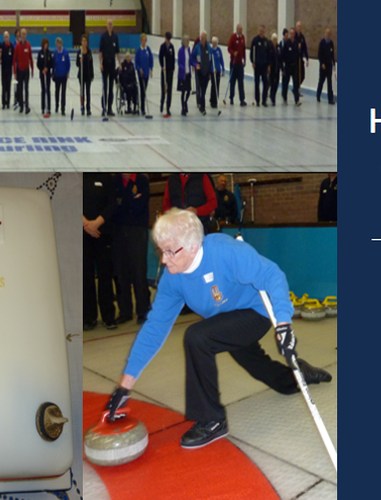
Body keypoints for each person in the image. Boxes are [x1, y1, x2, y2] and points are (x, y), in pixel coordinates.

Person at [102, 209, 331, 449]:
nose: (163, 260)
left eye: (170, 251)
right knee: (260, 368)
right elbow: (155, 328)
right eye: (161, 251)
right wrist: (124, 387)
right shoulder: (173, 277)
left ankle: (212, 420)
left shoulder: (225, 251)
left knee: (197, 337)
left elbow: (272, 275)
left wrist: (284, 323)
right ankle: (298, 375)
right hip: (225, 319)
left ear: (192, 246)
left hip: (257, 311)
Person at [113, 174, 151, 325]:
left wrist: (121, 202)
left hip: (137, 230)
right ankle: (125, 311)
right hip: (118, 230)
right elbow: (113, 206)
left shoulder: (141, 181)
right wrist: (129, 200)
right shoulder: (114, 181)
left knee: (138, 271)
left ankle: (143, 311)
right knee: (121, 272)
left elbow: (139, 206)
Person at [84, 173, 118, 331]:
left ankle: (108, 317)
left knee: (105, 275)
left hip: (103, 233)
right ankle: (89, 317)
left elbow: (112, 203)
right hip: (83, 234)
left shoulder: (106, 177)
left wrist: (96, 223)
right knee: (86, 276)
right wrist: (86, 224)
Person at [98, 20, 120, 117]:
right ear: (106, 26)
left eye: (111, 24)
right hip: (105, 64)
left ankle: (110, 108)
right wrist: (100, 64)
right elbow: (100, 52)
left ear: (113, 26)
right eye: (108, 24)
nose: (110, 26)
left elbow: (118, 51)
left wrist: (120, 63)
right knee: (105, 87)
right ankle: (104, 108)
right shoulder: (103, 37)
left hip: (112, 65)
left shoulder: (115, 37)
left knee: (111, 87)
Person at [190, 32, 212, 115]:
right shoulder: (197, 47)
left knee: (204, 89)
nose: (201, 39)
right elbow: (192, 57)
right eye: (200, 38)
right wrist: (195, 64)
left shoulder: (209, 47)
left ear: (205, 38)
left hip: (206, 72)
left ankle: (201, 103)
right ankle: (202, 107)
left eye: (203, 38)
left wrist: (210, 71)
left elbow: (211, 60)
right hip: (199, 71)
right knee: (201, 89)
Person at [280, 28, 301, 107]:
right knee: (286, 83)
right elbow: (282, 56)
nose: (292, 35)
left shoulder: (296, 43)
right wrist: (283, 67)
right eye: (290, 33)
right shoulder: (286, 43)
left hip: (294, 66)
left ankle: (297, 100)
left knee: (296, 84)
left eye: (293, 34)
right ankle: (285, 97)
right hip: (287, 66)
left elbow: (298, 55)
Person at [13, 29, 32, 114]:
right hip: (19, 70)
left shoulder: (28, 45)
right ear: (20, 35)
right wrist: (15, 72)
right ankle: (21, 105)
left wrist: (32, 69)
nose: (23, 35)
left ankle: (27, 105)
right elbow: (14, 60)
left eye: (25, 34)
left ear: (26, 35)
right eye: (22, 34)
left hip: (26, 70)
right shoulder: (17, 46)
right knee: (20, 88)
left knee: (26, 88)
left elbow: (30, 57)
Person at [250, 25, 270, 106]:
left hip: (264, 65)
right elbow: (252, 52)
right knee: (257, 83)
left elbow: (269, 54)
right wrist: (253, 62)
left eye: (262, 31)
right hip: (257, 65)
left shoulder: (266, 41)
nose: (261, 32)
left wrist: (269, 65)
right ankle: (257, 100)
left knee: (266, 83)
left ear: (264, 32)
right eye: (260, 31)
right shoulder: (255, 40)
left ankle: (264, 100)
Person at [227, 24, 246, 106]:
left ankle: (242, 99)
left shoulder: (243, 38)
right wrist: (233, 52)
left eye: (241, 29)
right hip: (233, 63)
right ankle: (231, 98)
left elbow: (244, 49)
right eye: (239, 29)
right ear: (237, 29)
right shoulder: (233, 37)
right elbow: (229, 48)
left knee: (241, 82)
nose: (241, 31)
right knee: (233, 81)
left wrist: (244, 59)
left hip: (240, 64)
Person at [134, 34, 153, 116]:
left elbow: (151, 60)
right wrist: (139, 69)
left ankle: (142, 106)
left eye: (145, 40)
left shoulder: (148, 49)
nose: (144, 41)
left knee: (144, 90)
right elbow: (136, 63)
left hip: (147, 73)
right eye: (143, 40)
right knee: (142, 90)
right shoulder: (138, 51)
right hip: (141, 73)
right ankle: (142, 108)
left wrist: (151, 69)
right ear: (140, 41)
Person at [158, 32, 175, 117]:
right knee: (163, 89)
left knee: (169, 90)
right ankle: (161, 104)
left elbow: (173, 59)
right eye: (166, 39)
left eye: (169, 40)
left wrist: (173, 69)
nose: (167, 41)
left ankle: (168, 107)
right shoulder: (162, 47)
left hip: (170, 71)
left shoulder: (172, 47)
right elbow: (160, 57)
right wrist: (162, 66)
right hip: (164, 71)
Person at [76, 35, 93, 116]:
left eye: (85, 41)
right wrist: (80, 61)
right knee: (82, 92)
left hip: (88, 75)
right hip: (81, 75)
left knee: (88, 92)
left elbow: (91, 64)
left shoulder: (89, 52)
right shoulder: (79, 52)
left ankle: (88, 108)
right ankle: (82, 107)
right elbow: (76, 64)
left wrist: (92, 75)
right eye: (82, 41)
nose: (84, 43)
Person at [317, 28, 335, 104]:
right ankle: (318, 95)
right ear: (325, 34)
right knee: (321, 81)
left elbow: (332, 54)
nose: (328, 35)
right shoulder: (322, 43)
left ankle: (330, 99)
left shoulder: (331, 43)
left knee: (329, 82)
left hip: (329, 65)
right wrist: (322, 63)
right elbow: (319, 54)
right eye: (327, 33)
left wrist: (333, 63)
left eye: (329, 34)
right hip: (323, 66)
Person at [52, 37, 70, 116]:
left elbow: (68, 63)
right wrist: (53, 73)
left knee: (63, 92)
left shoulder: (65, 52)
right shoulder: (55, 53)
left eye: (60, 44)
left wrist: (67, 72)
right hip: (57, 75)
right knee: (57, 91)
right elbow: (53, 64)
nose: (59, 45)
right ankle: (56, 106)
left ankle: (63, 108)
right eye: (57, 44)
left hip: (64, 75)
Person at [37, 37, 53, 116]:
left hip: (48, 74)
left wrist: (47, 68)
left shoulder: (49, 53)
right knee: (43, 90)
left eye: (47, 44)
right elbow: (38, 64)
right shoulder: (40, 53)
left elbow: (52, 63)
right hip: (42, 75)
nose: (46, 46)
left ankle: (49, 108)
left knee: (48, 90)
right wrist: (42, 69)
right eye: (45, 44)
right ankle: (43, 107)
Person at [0, 31, 14, 109]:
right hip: (3, 69)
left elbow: (14, 58)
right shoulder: (1, 46)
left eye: (7, 37)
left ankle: (8, 102)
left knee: (8, 86)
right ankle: (3, 103)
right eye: (5, 37)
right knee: (3, 86)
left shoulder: (11, 46)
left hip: (9, 69)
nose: (6, 38)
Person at [177, 35, 191, 116]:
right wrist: (183, 68)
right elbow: (179, 63)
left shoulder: (189, 50)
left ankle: (185, 102)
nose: (189, 43)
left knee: (188, 90)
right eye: (188, 41)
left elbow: (190, 60)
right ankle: (183, 108)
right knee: (183, 92)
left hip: (188, 73)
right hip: (183, 74)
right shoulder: (180, 50)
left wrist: (195, 65)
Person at [295, 21, 309, 96]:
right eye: (298, 26)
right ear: (296, 27)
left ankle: (296, 88)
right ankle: (296, 90)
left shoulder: (302, 37)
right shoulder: (294, 37)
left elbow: (305, 48)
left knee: (302, 76)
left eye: (300, 26)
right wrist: (297, 47)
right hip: (295, 59)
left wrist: (307, 58)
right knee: (297, 76)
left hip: (301, 59)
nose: (299, 28)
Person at [210, 36, 225, 109]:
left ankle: (216, 100)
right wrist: (212, 69)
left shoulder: (219, 50)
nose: (213, 44)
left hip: (218, 71)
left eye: (215, 43)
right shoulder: (210, 50)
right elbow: (210, 61)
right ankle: (212, 100)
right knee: (213, 85)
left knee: (217, 86)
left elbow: (221, 60)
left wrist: (223, 69)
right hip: (213, 71)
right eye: (212, 42)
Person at [267, 33, 280, 106]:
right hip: (271, 68)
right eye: (274, 40)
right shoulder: (270, 48)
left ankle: (273, 95)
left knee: (276, 83)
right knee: (270, 83)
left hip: (277, 68)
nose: (275, 41)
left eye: (276, 40)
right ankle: (271, 96)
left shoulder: (278, 48)